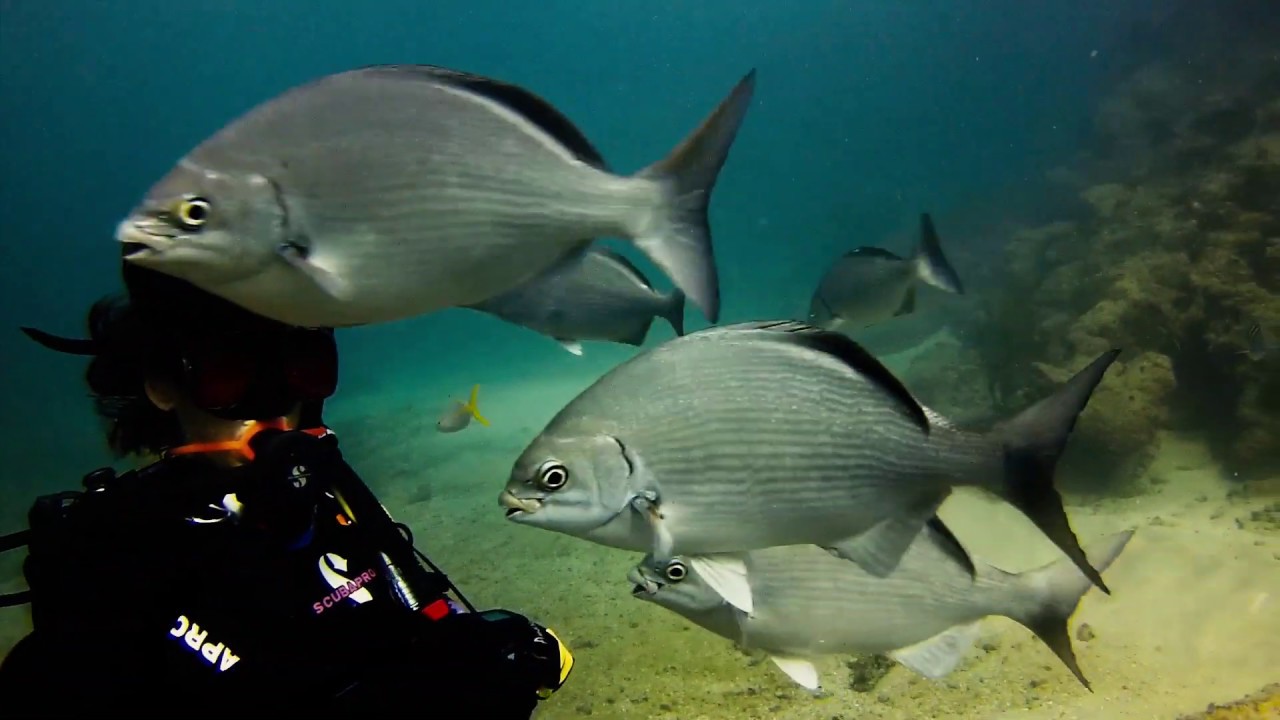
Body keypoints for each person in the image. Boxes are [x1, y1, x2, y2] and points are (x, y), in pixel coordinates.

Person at [0, 261, 573, 718]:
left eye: (301, 368)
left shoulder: (330, 492)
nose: (273, 405)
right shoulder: (115, 553)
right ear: (162, 385)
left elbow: (421, 618)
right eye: (228, 373)